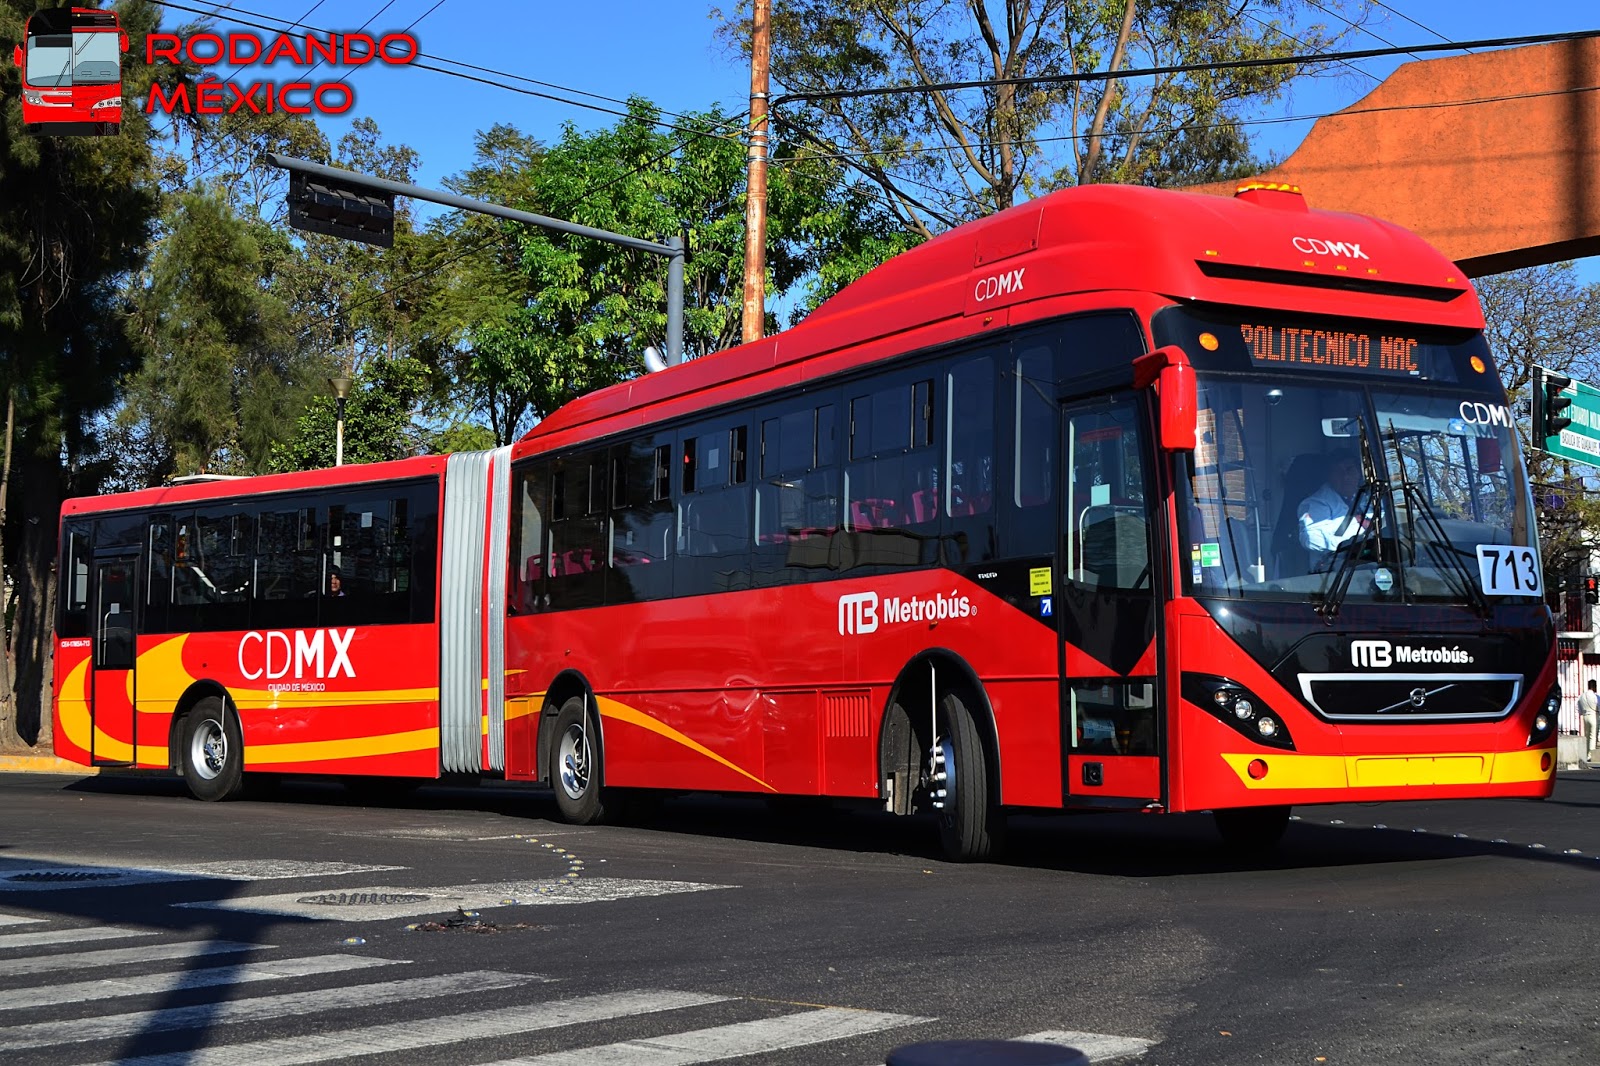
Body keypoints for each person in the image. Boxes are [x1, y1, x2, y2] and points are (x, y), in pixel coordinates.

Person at [1298, 451, 1371, 568]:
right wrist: (1354, 524)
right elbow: (1311, 539)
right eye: (1338, 472)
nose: (1345, 477)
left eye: (1350, 470)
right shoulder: (1315, 503)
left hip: (1370, 568)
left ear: (1359, 474)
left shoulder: (1370, 497)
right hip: (1333, 576)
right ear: (1329, 476)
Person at [1581, 679, 1599, 769]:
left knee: (1587, 736)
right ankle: (1591, 755)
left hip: (1585, 716)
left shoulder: (1582, 696)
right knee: (1593, 736)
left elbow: (1578, 706)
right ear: (1594, 686)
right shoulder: (1596, 696)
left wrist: (1582, 712)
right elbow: (1598, 706)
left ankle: (1586, 753)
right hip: (1593, 715)